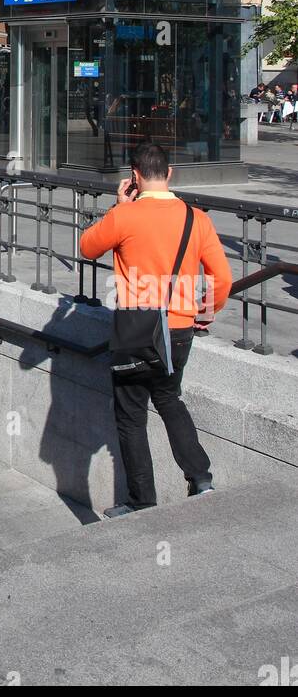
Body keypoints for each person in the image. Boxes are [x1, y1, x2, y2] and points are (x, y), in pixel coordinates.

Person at [79, 141, 232, 517]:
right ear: (169, 174)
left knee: (131, 416)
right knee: (169, 399)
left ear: (134, 177)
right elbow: (223, 277)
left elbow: (87, 247)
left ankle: (142, 502)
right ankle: (201, 479)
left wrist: (119, 207)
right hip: (179, 329)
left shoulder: (125, 216)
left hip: (135, 330)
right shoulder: (197, 218)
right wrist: (206, 312)